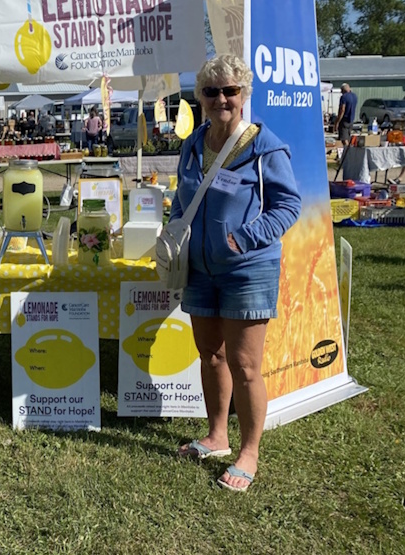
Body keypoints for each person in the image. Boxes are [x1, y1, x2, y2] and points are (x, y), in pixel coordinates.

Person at [173, 54, 301, 493]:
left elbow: (288, 206)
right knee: (210, 355)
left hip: (247, 269)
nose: (221, 99)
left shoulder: (265, 146)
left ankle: (249, 452)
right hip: (200, 268)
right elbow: (182, 197)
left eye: (230, 90)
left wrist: (244, 238)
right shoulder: (192, 145)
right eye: (211, 91)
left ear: (243, 94)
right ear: (200, 98)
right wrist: (175, 231)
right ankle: (217, 435)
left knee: (246, 366)